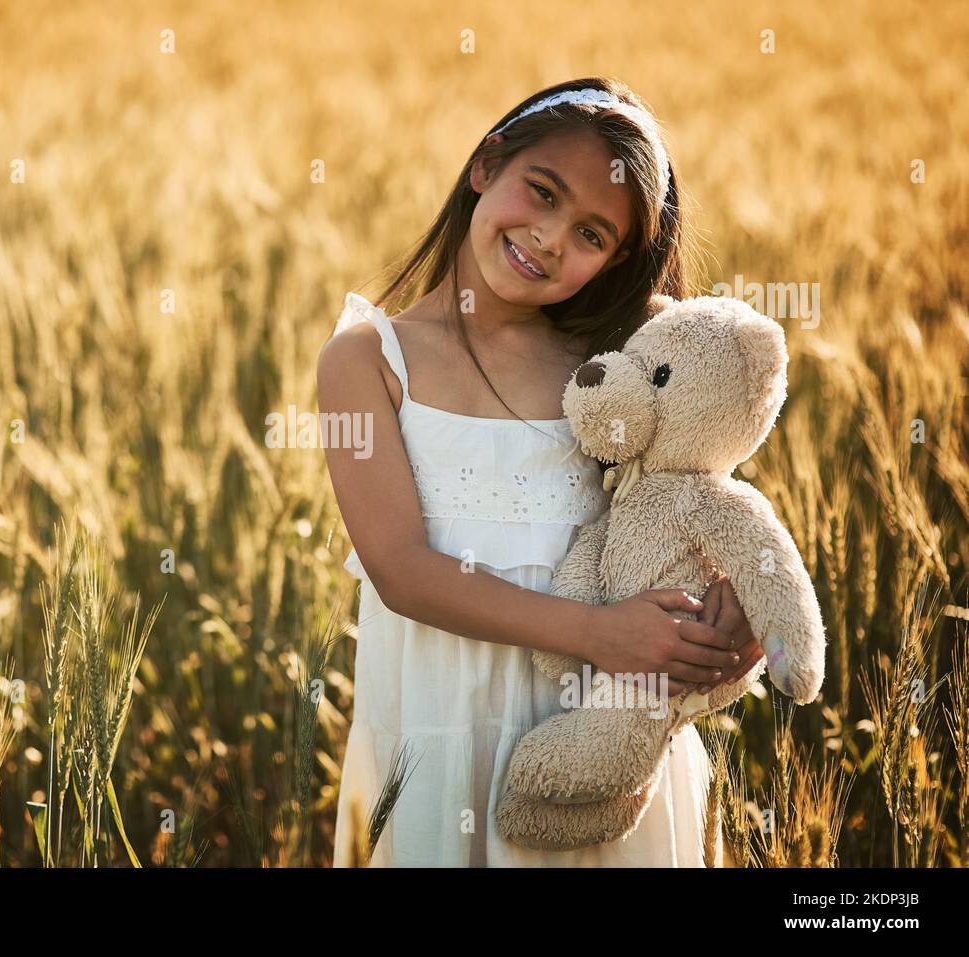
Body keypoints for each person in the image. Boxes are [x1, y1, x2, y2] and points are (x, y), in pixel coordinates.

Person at [319, 78, 764, 867]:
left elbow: (698, 503)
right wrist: (601, 633)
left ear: (617, 262)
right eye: (543, 192)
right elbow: (402, 571)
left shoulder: (616, 369)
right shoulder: (367, 360)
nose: (552, 238)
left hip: (604, 749)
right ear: (486, 165)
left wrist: (733, 617)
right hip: (439, 738)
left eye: (593, 235)